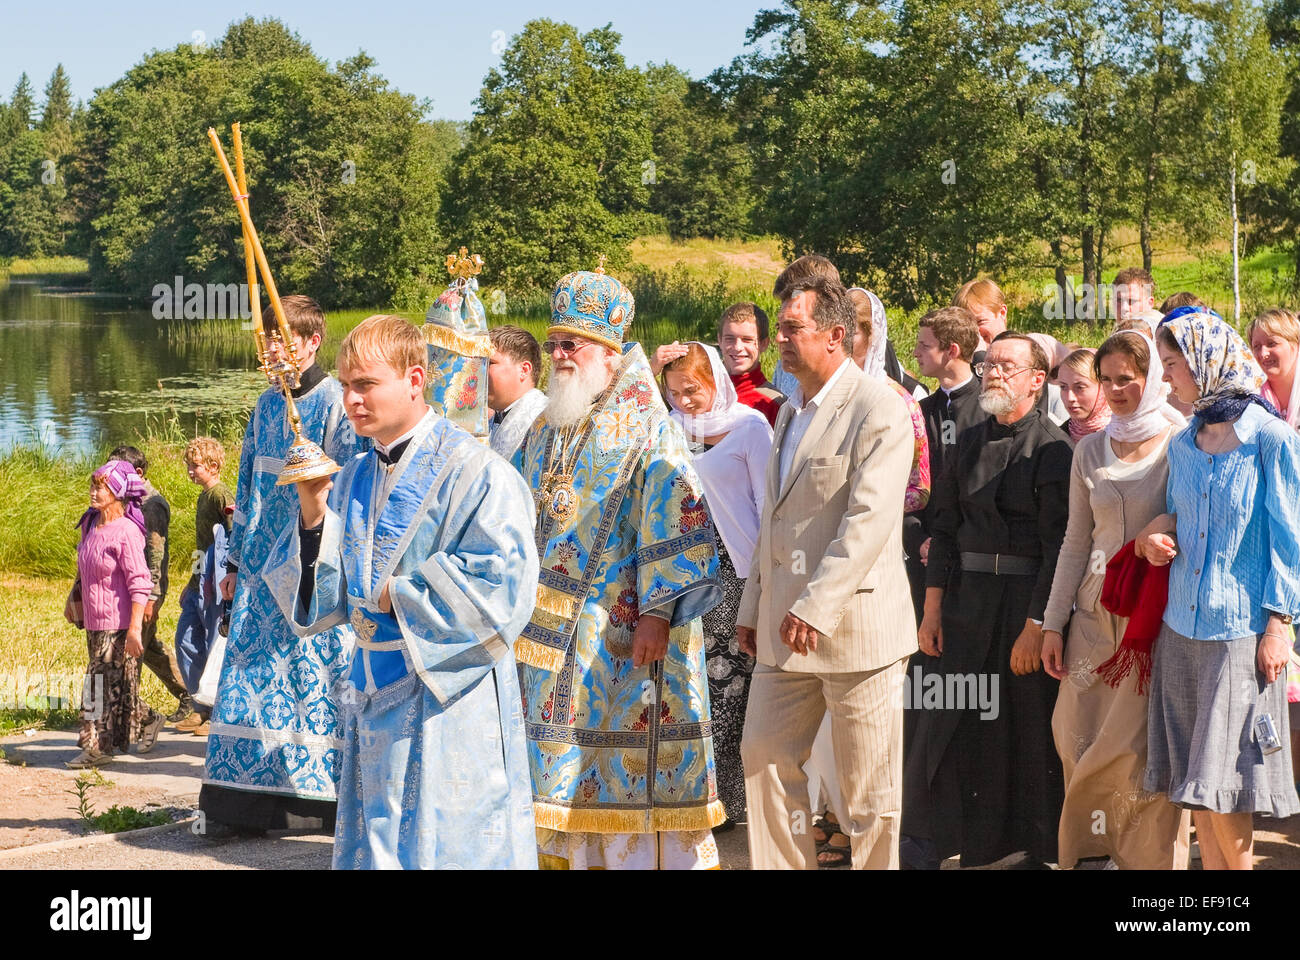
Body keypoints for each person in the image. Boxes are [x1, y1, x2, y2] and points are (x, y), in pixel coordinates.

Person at [262, 313, 539, 869]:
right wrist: (313, 513)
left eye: (365, 384)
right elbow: (324, 600)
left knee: (445, 841)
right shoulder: (354, 475)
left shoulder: (480, 472)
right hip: (371, 689)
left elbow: (505, 582)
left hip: (447, 697)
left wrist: (404, 594)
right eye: (345, 386)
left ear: (415, 380)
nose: (351, 400)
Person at [514, 265, 725, 870]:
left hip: (623, 631)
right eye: (552, 343)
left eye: (569, 345)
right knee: (554, 777)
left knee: (622, 772)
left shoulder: (647, 424)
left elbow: (677, 518)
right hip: (545, 636)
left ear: (608, 351)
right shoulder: (545, 424)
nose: (557, 355)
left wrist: (659, 615)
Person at [735, 271, 917, 870]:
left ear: (836, 335)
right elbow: (775, 523)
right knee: (763, 757)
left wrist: (815, 606)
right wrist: (752, 605)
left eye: (792, 329)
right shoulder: (790, 411)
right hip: (782, 633)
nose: (779, 341)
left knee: (869, 794)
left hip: (856, 630)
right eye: (779, 329)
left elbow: (868, 522)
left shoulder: (879, 407)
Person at [1138, 312, 1300, 869]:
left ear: (1206, 361)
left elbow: (1290, 541)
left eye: (1174, 364)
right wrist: (1154, 535)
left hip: (1241, 634)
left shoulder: (1271, 438)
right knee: (1197, 785)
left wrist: (1280, 626)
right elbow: (1179, 518)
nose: (1167, 378)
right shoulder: (1184, 443)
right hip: (1180, 630)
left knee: (1227, 782)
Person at [202, 294, 368, 833]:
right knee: (246, 683)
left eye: (282, 339)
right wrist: (231, 564)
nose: (272, 350)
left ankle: (322, 805)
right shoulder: (265, 404)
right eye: (266, 339)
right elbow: (247, 487)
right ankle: (240, 807)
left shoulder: (332, 404)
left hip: (309, 569)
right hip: (256, 574)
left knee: (314, 678)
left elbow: (347, 489)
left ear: (312, 341)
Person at [905, 332, 1072, 869]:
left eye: (1007, 366)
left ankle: (1028, 851)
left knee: (1021, 732)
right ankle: (936, 844)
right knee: (946, 722)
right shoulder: (967, 441)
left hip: (1022, 606)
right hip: (963, 604)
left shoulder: (1054, 448)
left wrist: (1036, 624)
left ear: (1037, 379)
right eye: (988, 364)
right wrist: (931, 611)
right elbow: (946, 530)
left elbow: (1058, 548)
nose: (993, 373)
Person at [1040, 330, 1190, 869]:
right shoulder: (1088, 449)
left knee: (1139, 752)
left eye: (1128, 377)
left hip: (1153, 620)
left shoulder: (1185, 440)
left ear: (1152, 378)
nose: (1117, 388)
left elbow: (1199, 521)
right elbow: (1075, 542)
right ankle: (1092, 854)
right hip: (1090, 619)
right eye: (1107, 379)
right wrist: (1052, 624)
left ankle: (1148, 870)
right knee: (1073, 739)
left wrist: (1163, 526)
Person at [661, 341, 773, 830]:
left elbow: (771, 503)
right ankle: (703, 795)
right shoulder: (669, 430)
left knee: (734, 687)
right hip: (689, 572)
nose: (685, 401)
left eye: (693, 390)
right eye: (674, 392)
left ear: (714, 381)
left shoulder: (750, 426)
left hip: (738, 569)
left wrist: (768, 575)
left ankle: (736, 801)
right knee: (696, 685)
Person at [64, 460, 165, 768]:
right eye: (93, 485)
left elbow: (140, 582)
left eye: (101, 487)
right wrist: (74, 599)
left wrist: (135, 631)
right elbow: (86, 570)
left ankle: (95, 748)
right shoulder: (92, 524)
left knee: (95, 686)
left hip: (119, 625)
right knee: (115, 687)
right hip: (95, 622)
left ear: (118, 492)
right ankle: (148, 719)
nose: (94, 492)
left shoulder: (127, 532)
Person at [109, 444, 193, 723]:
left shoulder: (151, 503)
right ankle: (191, 695)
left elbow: (155, 555)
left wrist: (153, 598)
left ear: (138, 472)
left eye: (118, 470)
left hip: (145, 591)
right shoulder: (127, 497)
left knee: (131, 652)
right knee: (150, 647)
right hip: (129, 588)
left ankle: (131, 715)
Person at [172, 437, 234, 736]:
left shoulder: (220, 495)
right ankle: (200, 705)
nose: (190, 472)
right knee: (185, 639)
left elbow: (232, 537)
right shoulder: (202, 497)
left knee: (213, 643)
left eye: (195, 466)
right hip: (201, 578)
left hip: (217, 581)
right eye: (188, 465)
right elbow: (201, 548)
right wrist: (191, 581)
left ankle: (217, 711)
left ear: (213, 466)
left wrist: (230, 575)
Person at [955, 278, 1069, 424]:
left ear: (1002, 313)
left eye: (980, 322)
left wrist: (980, 358)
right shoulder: (962, 365)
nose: (975, 333)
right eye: (967, 325)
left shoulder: (1029, 352)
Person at [719, 302, 785, 426]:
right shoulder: (704, 390)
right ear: (719, 340)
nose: (737, 347)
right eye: (730, 339)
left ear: (764, 344)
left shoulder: (773, 404)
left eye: (747, 340)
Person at [487, 325, 547, 458]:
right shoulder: (490, 419)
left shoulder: (543, 421)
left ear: (524, 370)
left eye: (489, 363)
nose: (478, 371)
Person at [1248, 308, 1300, 428]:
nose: (1263, 353)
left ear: (1295, 345)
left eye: (1272, 344)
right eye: (1256, 346)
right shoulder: (1249, 396)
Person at [1055, 348, 1111, 443]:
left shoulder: (1123, 438)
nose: (1070, 398)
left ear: (1102, 387)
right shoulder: (1054, 439)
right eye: (1063, 387)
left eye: (1080, 387)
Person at [1112, 267, 1164, 334]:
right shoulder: (1119, 332)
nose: (1123, 308)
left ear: (1150, 303)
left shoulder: (1163, 335)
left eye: (1131, 301)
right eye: (1118, 300)